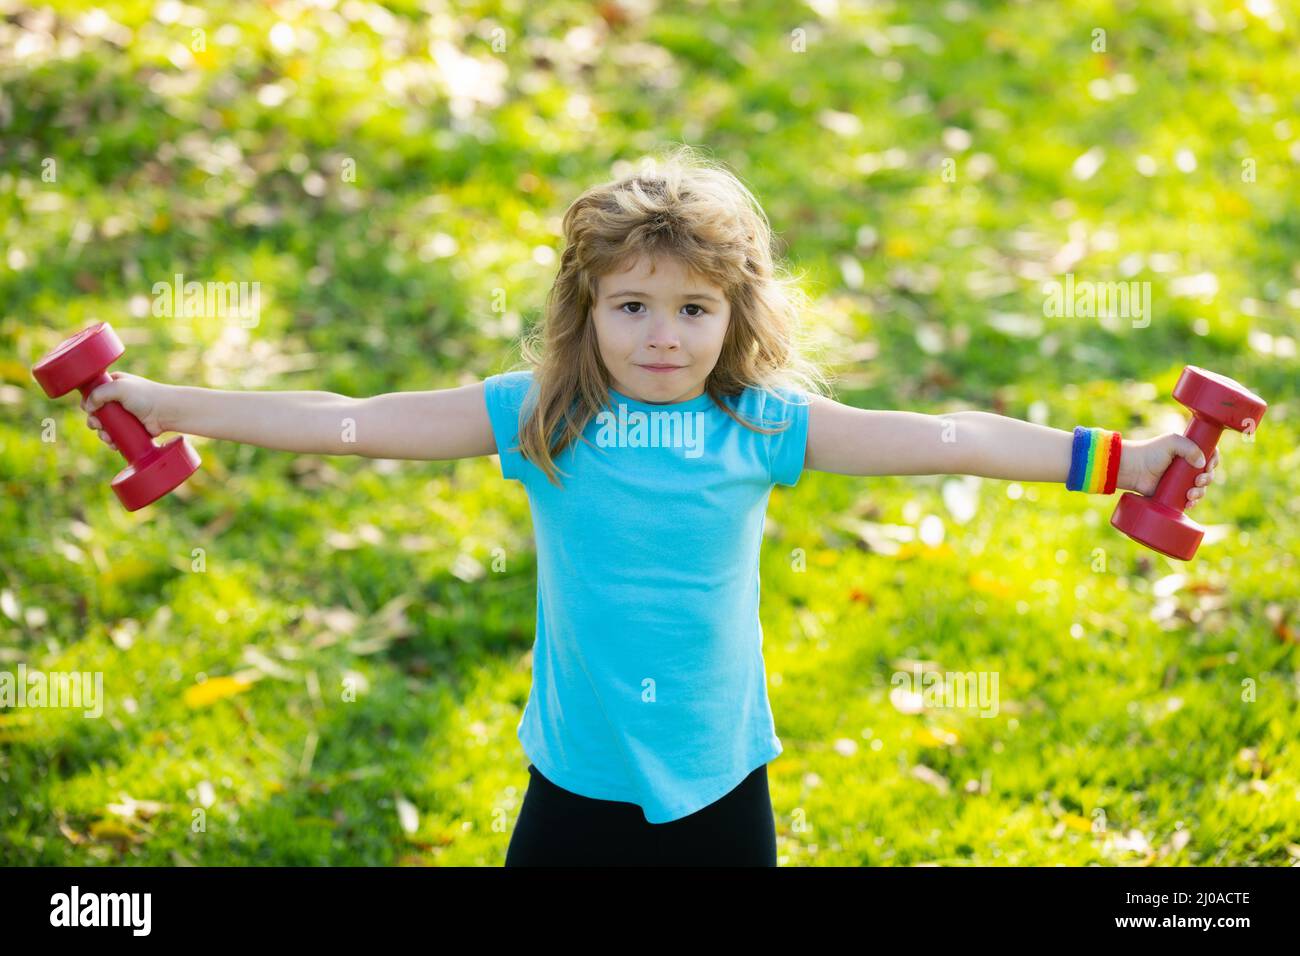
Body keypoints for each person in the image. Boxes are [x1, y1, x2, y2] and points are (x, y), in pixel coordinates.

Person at [79, 145, 1221, 867]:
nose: (661, 336)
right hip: (575, 773)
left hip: (720, 773)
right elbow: (352, 416)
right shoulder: (538, 417)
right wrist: (168, 401)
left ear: (736, 319)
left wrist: (1117, 459)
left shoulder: (764, 426)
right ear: (586, 310)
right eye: (631, 306)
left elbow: (951, 439)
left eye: (692, 309)